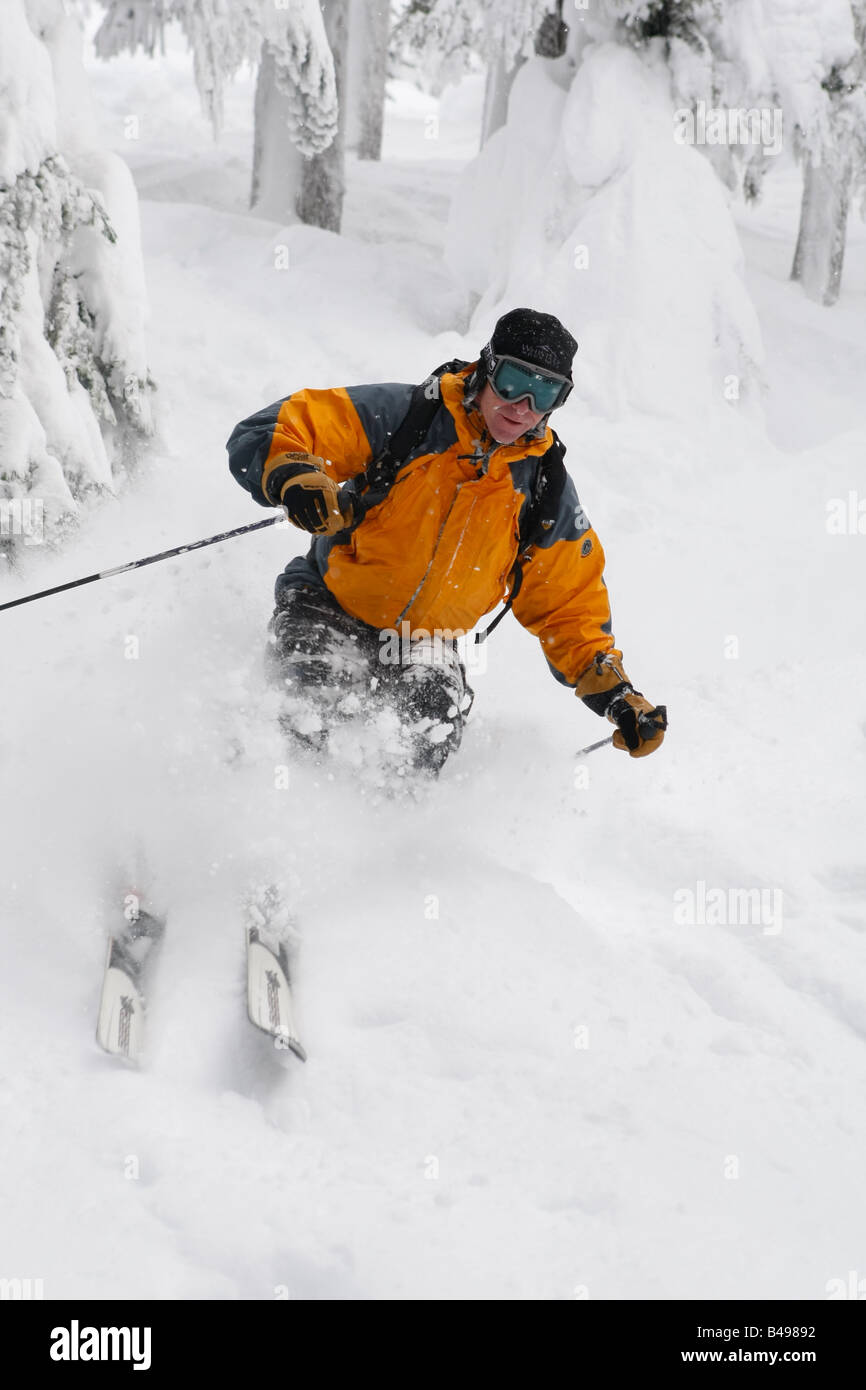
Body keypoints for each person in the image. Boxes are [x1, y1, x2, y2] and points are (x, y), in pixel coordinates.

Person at [226, 308, 667, 777]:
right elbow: (277, 427)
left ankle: (384, 841)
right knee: (304, 722)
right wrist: (295, 475)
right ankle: (246, 813)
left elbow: (567, 603)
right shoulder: (409, 417)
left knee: (419, 748)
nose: (523, 406)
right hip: (329, 605)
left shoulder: (543, 487)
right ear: (488, 367)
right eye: (515, 380)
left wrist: (617, 696)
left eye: (545, 392)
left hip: (427, 644)